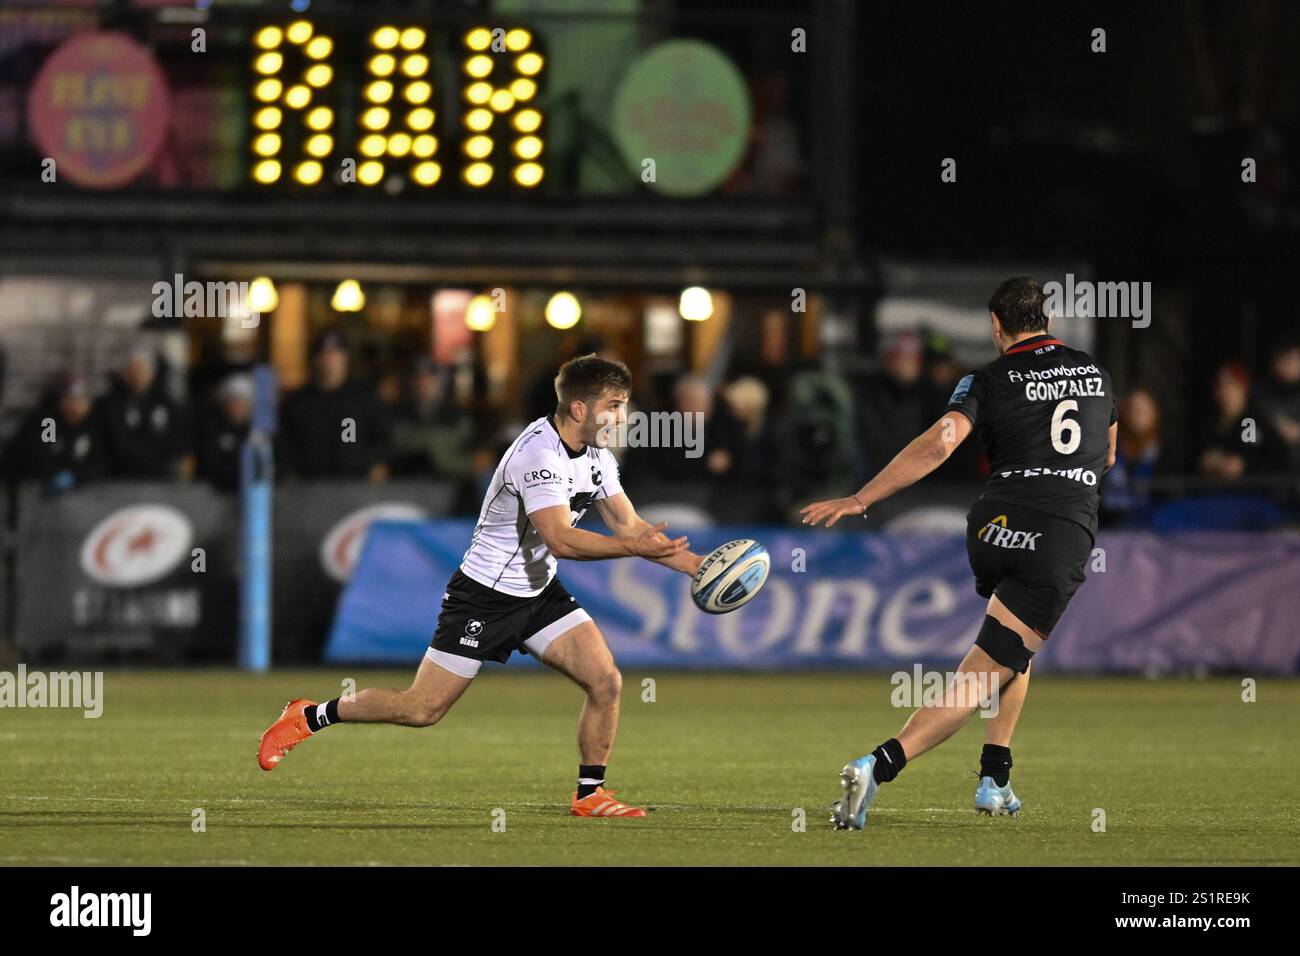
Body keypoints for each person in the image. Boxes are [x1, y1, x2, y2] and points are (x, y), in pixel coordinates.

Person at [257, 354, 702, 818]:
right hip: (485, 596)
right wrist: (637, 549)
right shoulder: (537, 453)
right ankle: (310, 716)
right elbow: (562, 539)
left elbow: (629, 526)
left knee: (606, 681)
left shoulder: (596, 457)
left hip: (538, 591)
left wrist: (695, 566)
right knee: (421, 710)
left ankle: (590, 794)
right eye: (614, 405)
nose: (622, 416)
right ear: (578, 409)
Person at [801, 277, 1117, 829]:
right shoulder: (1094, 371)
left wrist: (862, 497)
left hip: (992, 525)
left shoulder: (988, 378)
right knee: (980, 676)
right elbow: (1108, 455)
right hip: (1057, 532)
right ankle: (876, 765)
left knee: (1013, 649)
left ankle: (996, 778)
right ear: (1046, 319)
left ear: (997, 324)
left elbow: (941, 443)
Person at [277, 328, 390, 481]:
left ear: (345, 358)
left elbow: (381, 441)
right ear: (315, 359)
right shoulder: (296, 403)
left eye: (335, 354)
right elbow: (284, 449)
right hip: (310, 490)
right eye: (324, 354)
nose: (329, 361)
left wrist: (377, 466)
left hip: (356, 487)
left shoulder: (365, 399)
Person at [97, 347, 187, 479]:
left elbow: (177, 440)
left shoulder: (167, 404)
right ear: (125, 374)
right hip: (121, 476)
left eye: (142, 370)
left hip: (160, 476)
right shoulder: (110, 405)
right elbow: (115, 441)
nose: (137, 376)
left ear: (152, 374)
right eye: (133, 371)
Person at [4, 374, 106, 492]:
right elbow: (42, 458)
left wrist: (76, 475)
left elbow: (99, 462)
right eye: (71, 399)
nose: (78, 405)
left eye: (82, 399)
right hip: (24, 488)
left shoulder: (88, 426)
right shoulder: (48, 422)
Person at [195, 374, 253, 492]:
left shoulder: (260, 431)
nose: (238, 406)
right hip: (217, 492)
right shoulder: (211, 429)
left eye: (242, 401)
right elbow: (209, 464)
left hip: (253, 494)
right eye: (233, 400)